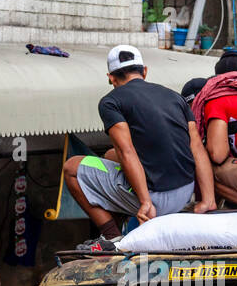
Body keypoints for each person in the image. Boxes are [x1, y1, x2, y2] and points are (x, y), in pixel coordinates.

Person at [64, 45, 216, 246]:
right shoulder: (174, 96)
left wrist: (146, 202)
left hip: (155, 200)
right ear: (144, 71)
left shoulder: (111, 102)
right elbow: (196, 147)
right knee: (110, 155)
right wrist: (208, 199)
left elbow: (127, 151)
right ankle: (125, 214)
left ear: (111, 77)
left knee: (72, 168)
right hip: (186, 192)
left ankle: (111, 235)